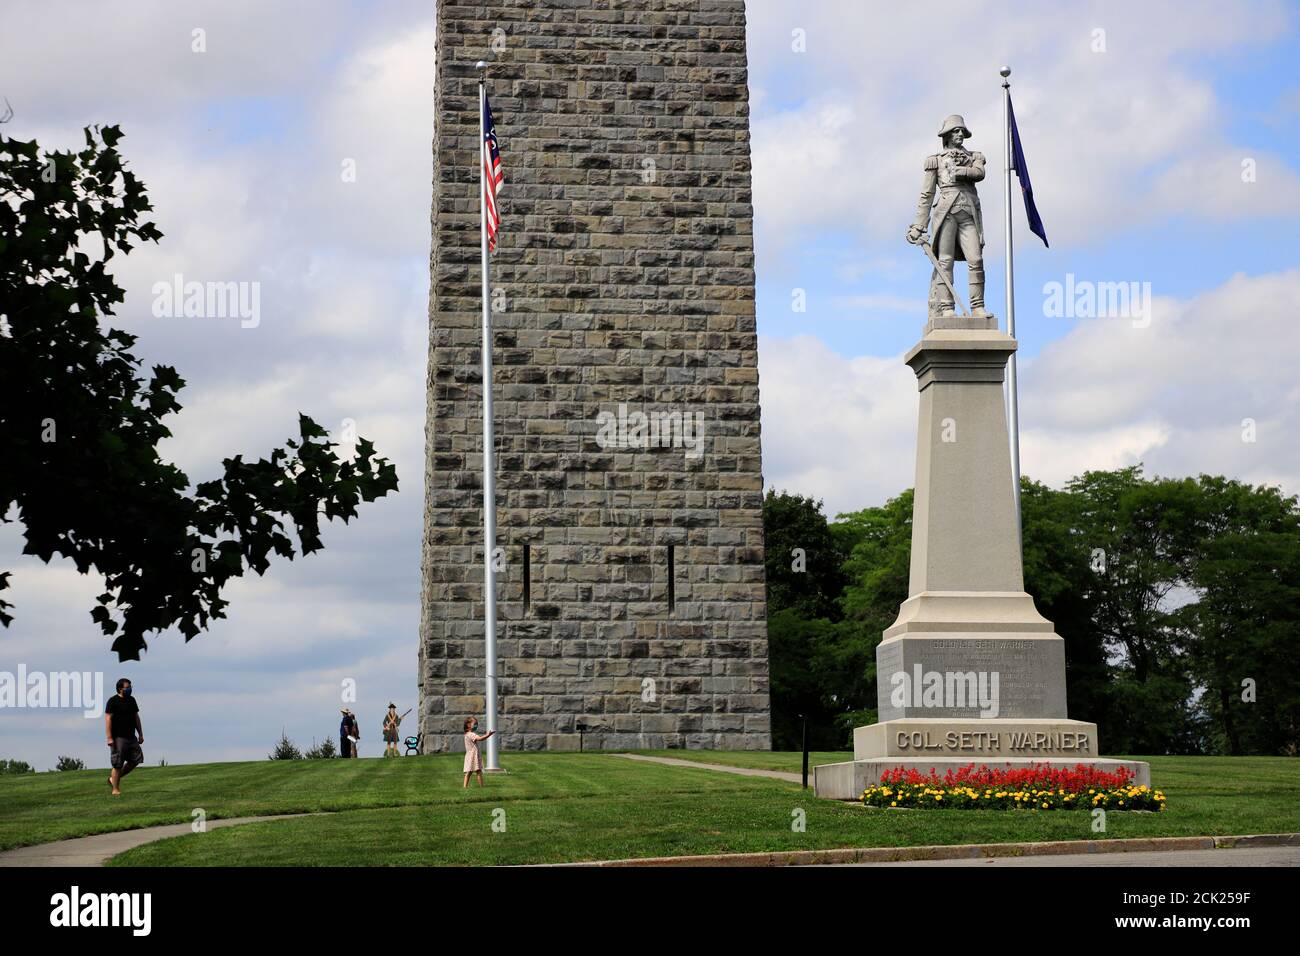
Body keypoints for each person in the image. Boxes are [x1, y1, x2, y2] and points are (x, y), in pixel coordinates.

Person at [906, 114, 991, 319]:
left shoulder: (974, 158)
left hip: (968, 212)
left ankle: (977, 306)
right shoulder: (935, 161)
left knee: (976, 259)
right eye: (956, 130)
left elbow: (979, 173)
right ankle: (946, 308)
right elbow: (927, 195)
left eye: (962, 130)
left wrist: (961, 171)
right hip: (945, 213)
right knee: (945, 261)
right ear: (947, 135)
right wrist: (918, 225)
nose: (960, 133)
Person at [104, 678, 143, 796]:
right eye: (127, 687)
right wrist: (109, 737)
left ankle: (113, 779)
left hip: (131, 736)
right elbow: (108, 719)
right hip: (118, 737)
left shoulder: (131, 700)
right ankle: (115, 789)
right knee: (118, 764)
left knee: (136, 759)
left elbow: (136, 717)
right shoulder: (112, 701)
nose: (130, 689)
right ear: (120, 688)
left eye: (130, 687)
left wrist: (140, 734)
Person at [462, 716, 496, 788]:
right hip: (472, 756)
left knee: (471, 771)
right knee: (477, 771)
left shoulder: (467, 734)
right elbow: (480, 738)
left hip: (470, 755)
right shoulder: (471, 734)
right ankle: (480, 787)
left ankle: (465, 787)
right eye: (475, 724)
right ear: (468, 725)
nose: (476, 725)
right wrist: (488, 735)